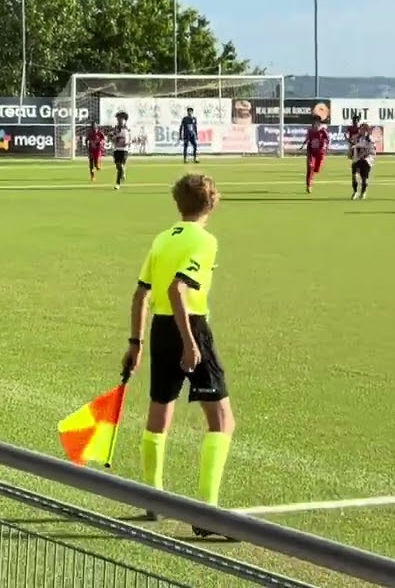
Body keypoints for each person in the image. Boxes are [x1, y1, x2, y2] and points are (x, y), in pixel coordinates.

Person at [122, 174, 233, 538]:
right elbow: (177, 289)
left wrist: (135, 343)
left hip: (160, 329)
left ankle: (153, 498)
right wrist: (190, 342)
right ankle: (207, 512)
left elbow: (142, 294)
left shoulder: (162, 238)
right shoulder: (205, 241)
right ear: (212, 204)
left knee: (160, 410)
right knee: (222, 420)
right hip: (191, 327)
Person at [300, 117, 330, 193]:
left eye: (318, 123)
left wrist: (327, 146)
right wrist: (303, 145)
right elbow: (307, 139)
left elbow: (328, 139)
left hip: (320, 152)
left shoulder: (323, 131)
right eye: (316, 123)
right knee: (310, 167)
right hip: (311, 151)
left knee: (317, 169)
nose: (317, 124)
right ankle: (309, 185)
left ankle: (312, 176)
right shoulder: (310, 131)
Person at [350, 122, 377, 200]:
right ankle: (355, 192)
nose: (363, 131)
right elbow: (352, 147)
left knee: (364, 178)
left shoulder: (370, 139)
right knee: (354, 176)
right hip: (357, 159)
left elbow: (372, 151)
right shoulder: (355, 138)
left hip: (366, 160)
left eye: (365, 129)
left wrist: (365, 155)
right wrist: (351, 152)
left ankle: (363, 192)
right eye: (362, 129)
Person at [111, 111, 131, 190]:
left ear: (124, 120)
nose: (119, 120)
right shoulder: (115, 128)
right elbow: (113, 137)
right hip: (116, 149)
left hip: (124, 150)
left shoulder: (127, 129)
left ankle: (117, 183)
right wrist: (113, 138)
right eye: (118, 119)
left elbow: (129, 139)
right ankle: (122, 172)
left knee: (120, 165)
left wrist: (127, 143)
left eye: (121, 119)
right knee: (117, 166)